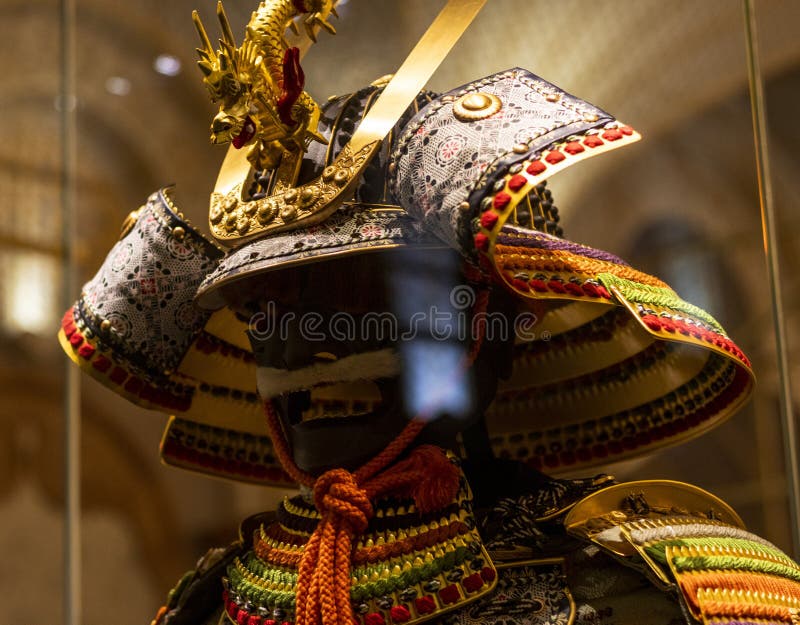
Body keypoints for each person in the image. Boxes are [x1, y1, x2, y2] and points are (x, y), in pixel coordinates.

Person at [58, 2, 800, 624]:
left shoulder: (661, 585)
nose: (307, 348)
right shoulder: (214, 603)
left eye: (364, 298)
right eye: (266, 310)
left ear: (490, 327)